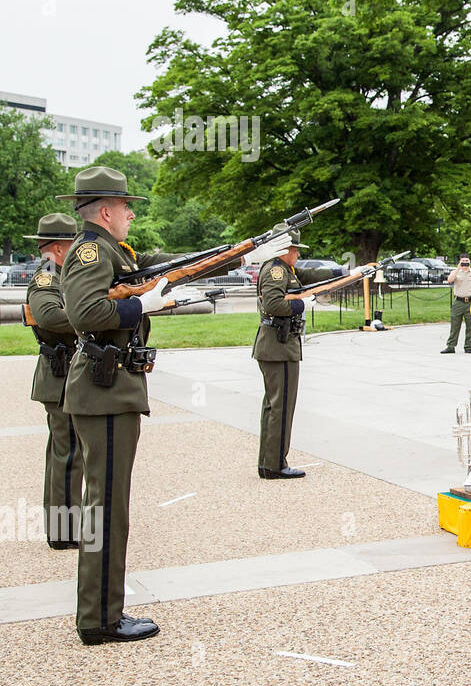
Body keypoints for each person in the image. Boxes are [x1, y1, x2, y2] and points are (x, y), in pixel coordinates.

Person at [58, 166, 272, 645]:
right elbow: (86, 313)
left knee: (108, 505)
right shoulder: (92, 250)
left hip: (110, 386)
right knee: (106, 508)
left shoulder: (112, 249)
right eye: (127, 207)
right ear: (107, 211)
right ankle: (99, 619)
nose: (132, 214)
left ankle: (102, 611)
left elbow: (177, 264)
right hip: (105, 388)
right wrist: (144, 306)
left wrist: (247, 251)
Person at [252, 223, 338, 480]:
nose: (297, 254)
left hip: (278, 346)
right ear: (283, 249)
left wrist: (348, 271)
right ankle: (275, 464)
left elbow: (310, 276)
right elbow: (274, 304)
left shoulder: (285, 269)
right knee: (281, 407)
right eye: (294, 249)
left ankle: (269, 461)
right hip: (279, 347)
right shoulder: (276, 271)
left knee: (274, 406)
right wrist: (302, 304)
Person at [22, 213, 84, 549]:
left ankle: (62, 523)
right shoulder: (47, 278)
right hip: (59, 374)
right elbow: (49, 316)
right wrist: (92, 313)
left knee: (64, 450)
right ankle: (63, 531)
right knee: (69, 452)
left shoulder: (59, 275)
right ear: (60, 247)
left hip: (62, 373)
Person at [443, 254, 471, 353]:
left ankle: (468, 346)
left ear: (470, 261)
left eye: (467, 260)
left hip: (470, 302)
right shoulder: (455, 272)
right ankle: (451, 346)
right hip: (458, 302)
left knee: (470, 326)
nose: (465, 262)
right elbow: (449, 280)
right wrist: (458, 268)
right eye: (463, 260)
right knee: (455, 325)